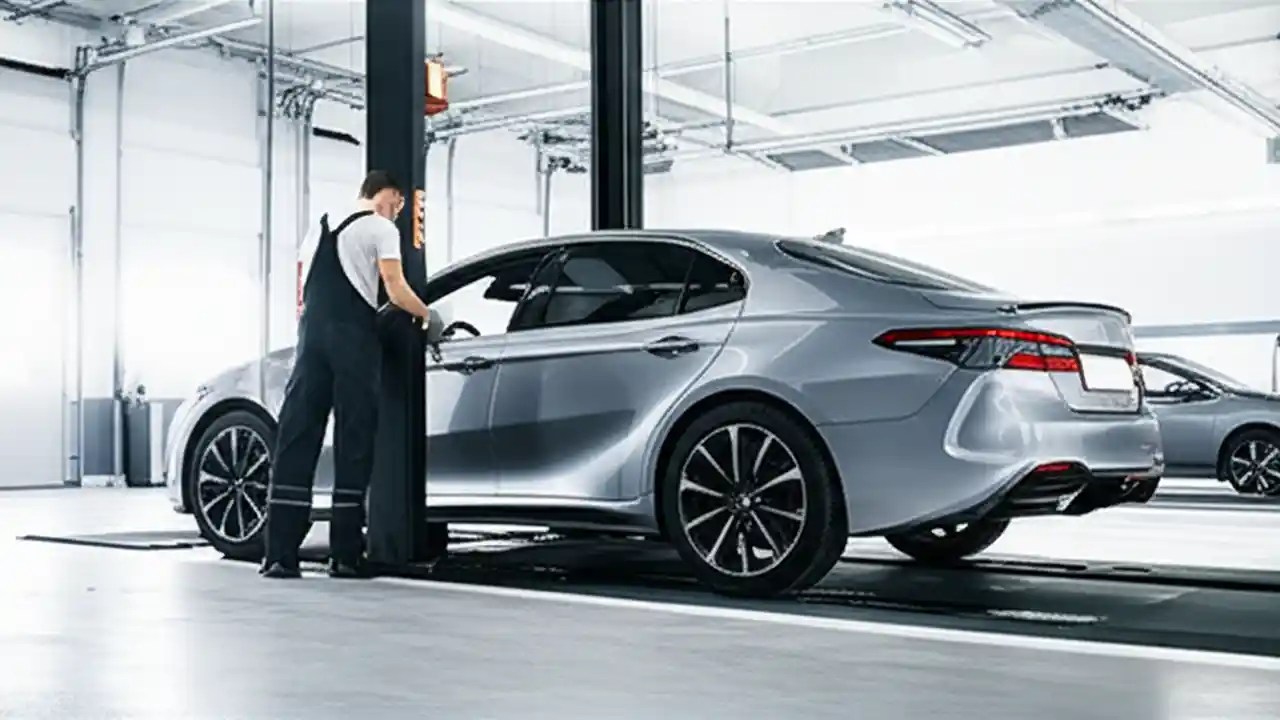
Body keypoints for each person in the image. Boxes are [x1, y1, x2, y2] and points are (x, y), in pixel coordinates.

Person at [260, 170, 431, 579]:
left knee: (297, 437)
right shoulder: (380, 227)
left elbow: (303, 294)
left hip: (310, 340)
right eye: (399, 201)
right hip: (353, 341)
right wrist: (426, 314)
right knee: (354, 441)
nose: (399, 210)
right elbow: (394, 286)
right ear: (384, 194)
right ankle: (346, 556)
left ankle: (279, 554)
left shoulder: (317, 231)